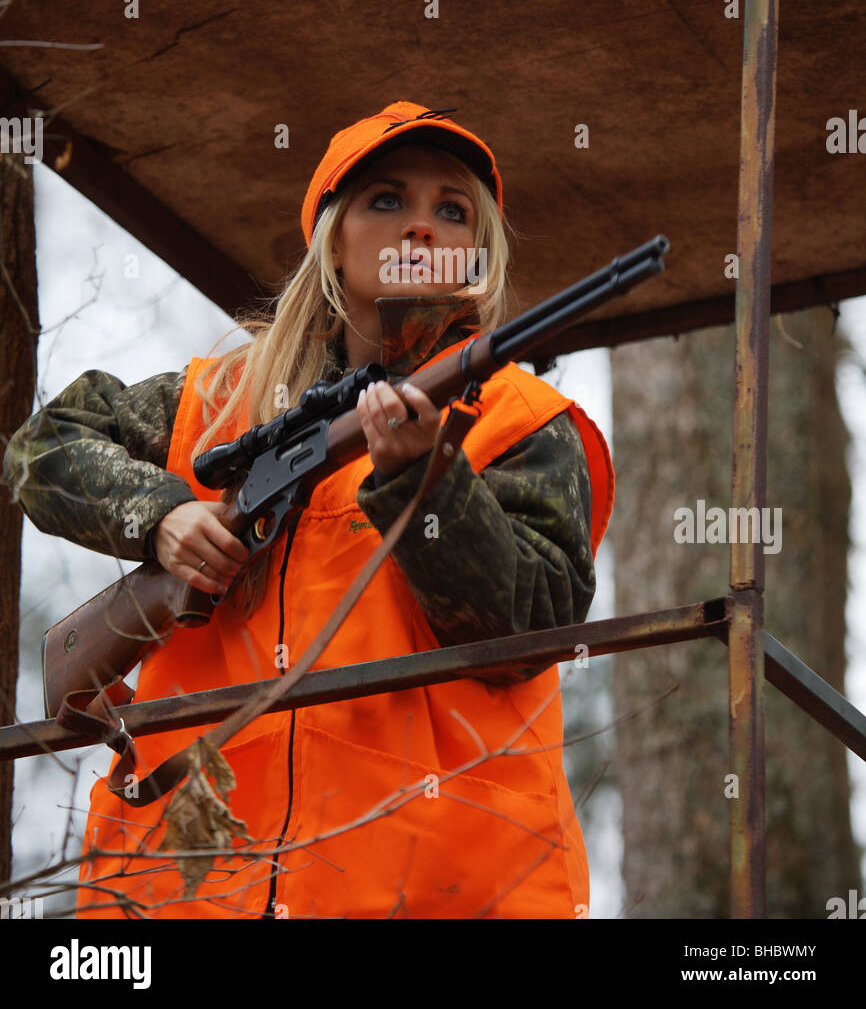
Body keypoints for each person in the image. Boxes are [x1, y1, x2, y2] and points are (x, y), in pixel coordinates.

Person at [4, 99, 614, 920]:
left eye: (453, 209)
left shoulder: (518, 417)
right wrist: (164, 516)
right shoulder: (224, 398)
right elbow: (40, 449)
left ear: (479, 249)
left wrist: (424, 481)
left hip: (442, 885)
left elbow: (531, 631)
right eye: (387, 200)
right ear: (333, 234)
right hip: (193, 886)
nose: (422, 227)